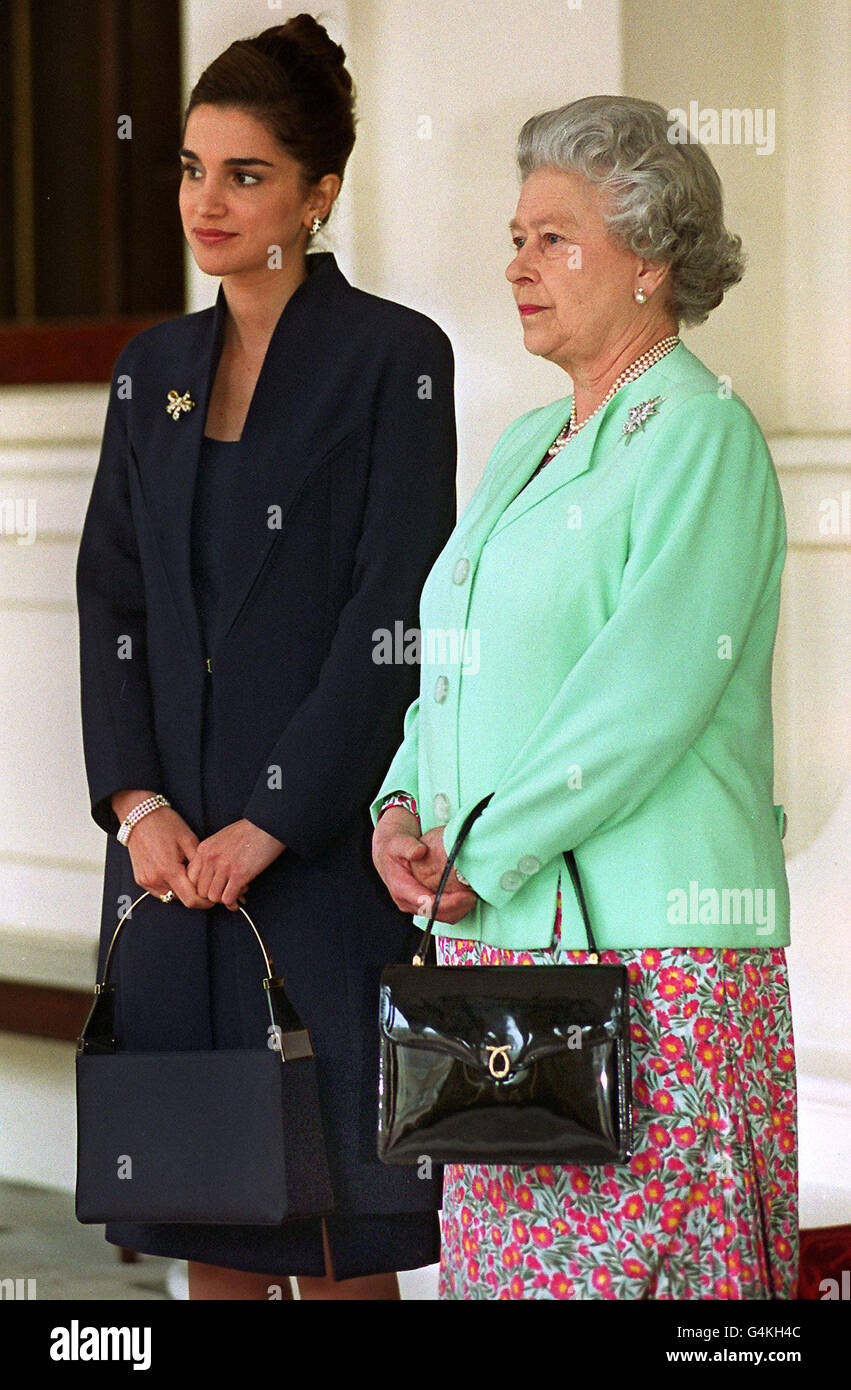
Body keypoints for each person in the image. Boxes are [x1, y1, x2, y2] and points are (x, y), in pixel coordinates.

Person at [371, 95, 797, 1300]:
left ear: (650, 258)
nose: (517, 263)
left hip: (658, 964)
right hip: (499, 947)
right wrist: (398, 809)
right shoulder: (525, 445)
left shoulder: (700, 436)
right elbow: (447, 664)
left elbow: (642, 698)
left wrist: (475, 846)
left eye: (553, 238)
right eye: (515, 236)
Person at [76, 15, 456, 1301]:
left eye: (245, 173)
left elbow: (389, 615)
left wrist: (274, 822)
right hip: (171, 871)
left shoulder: (391, 359)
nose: (207, 200)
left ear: (320, 190)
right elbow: (110, 597)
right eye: (191, 167)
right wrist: (138, 807)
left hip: (319, 869)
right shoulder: (152, 370)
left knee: (341, 1232)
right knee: (209, 1219)